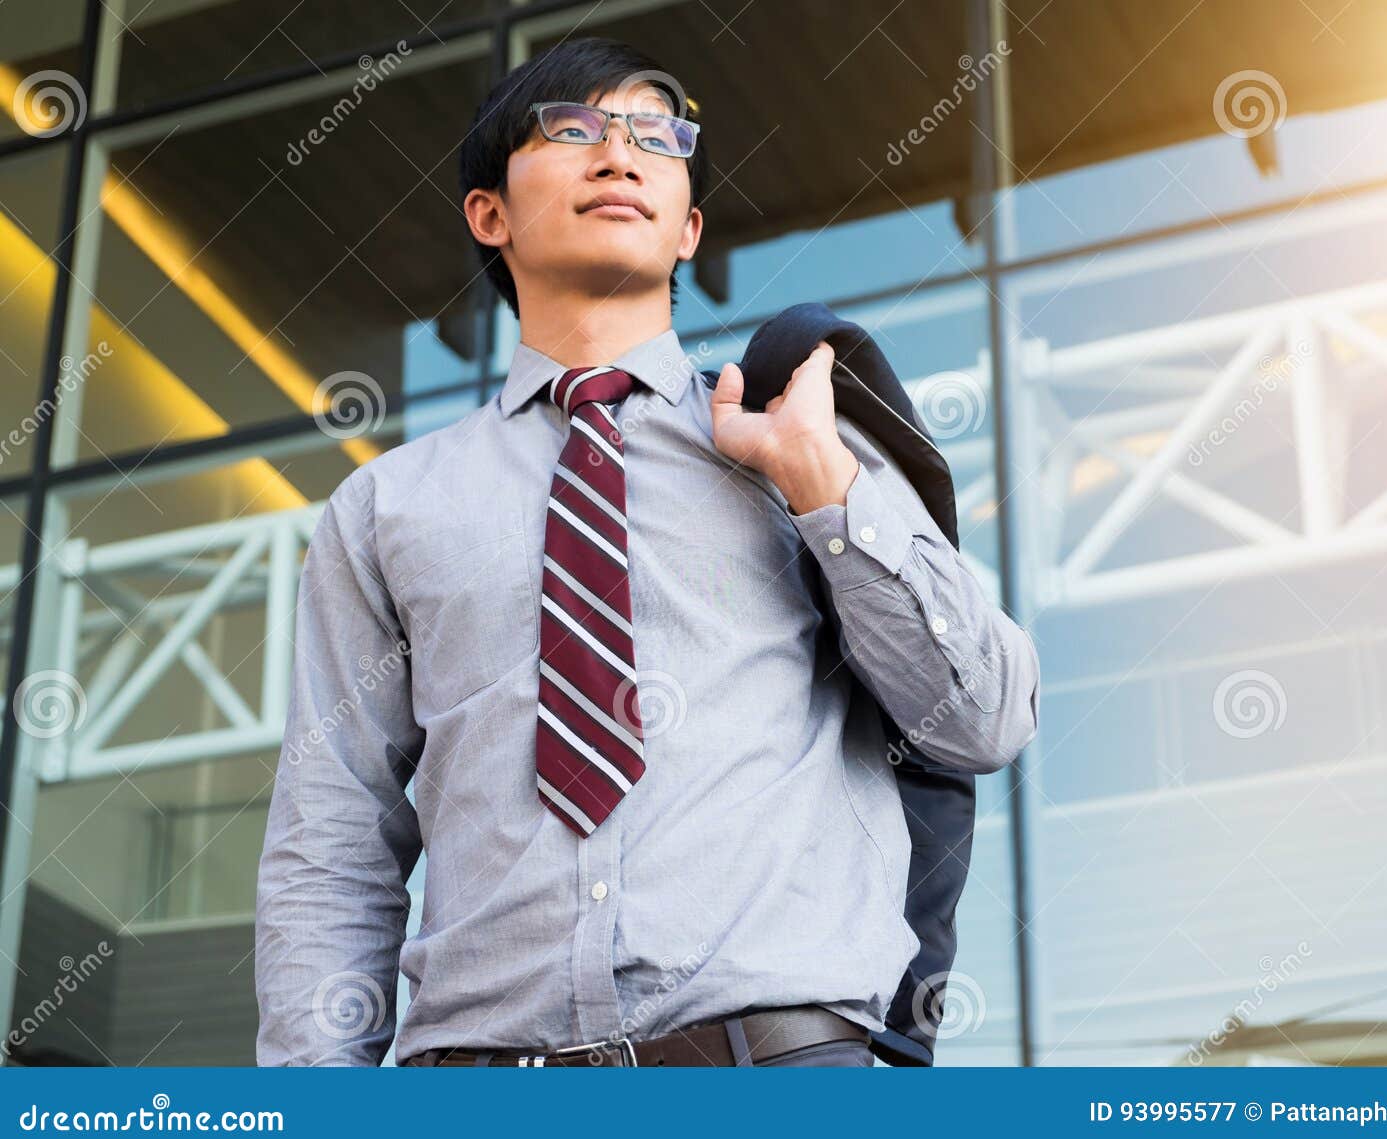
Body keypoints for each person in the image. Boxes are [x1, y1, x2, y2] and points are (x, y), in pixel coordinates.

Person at [254, 35, 1040, 1068]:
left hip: (786, 1068)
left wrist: (824, 489)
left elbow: (982, 716)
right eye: (571, 129)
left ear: (688, 229)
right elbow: (333, 833)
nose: (618, 154)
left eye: (655, 139)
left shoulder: (801, 434)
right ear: (488, 214)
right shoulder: (386, 508)